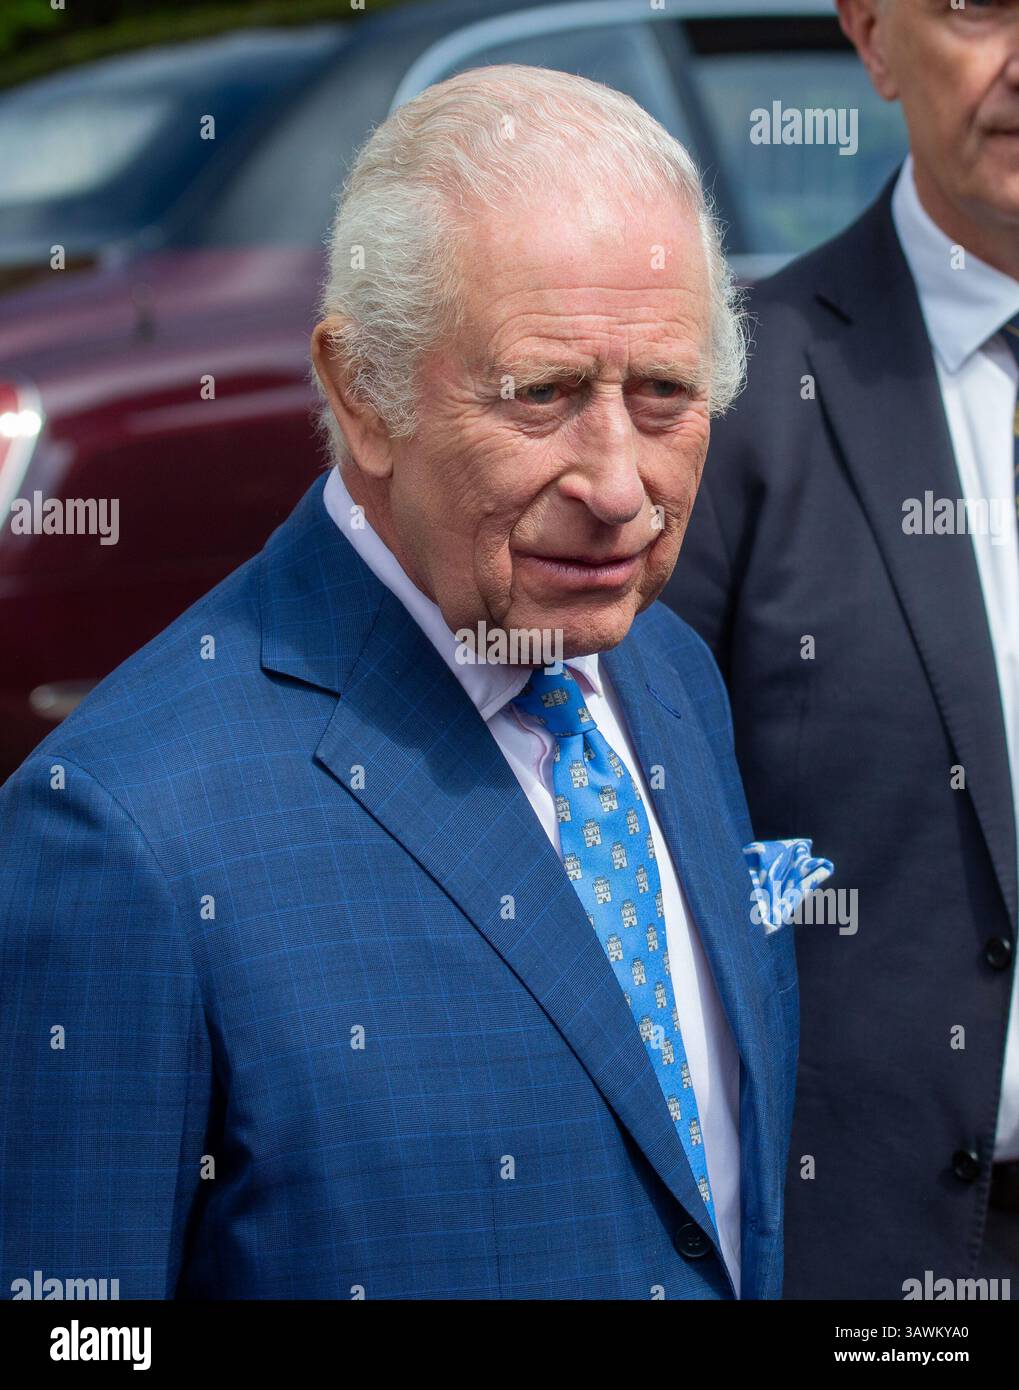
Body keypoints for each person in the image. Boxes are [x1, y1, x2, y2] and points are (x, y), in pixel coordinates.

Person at [1, 66, 808, 1300]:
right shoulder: (120, 833)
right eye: (540, 393)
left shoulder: (669, 677)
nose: (616, 483)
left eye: (662, 395)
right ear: (361, 395)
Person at [664, 0, 1019, 1298]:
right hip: (864, 1250)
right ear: (869, 37)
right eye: (977, 3)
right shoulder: (735, 403)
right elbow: (645, 839)